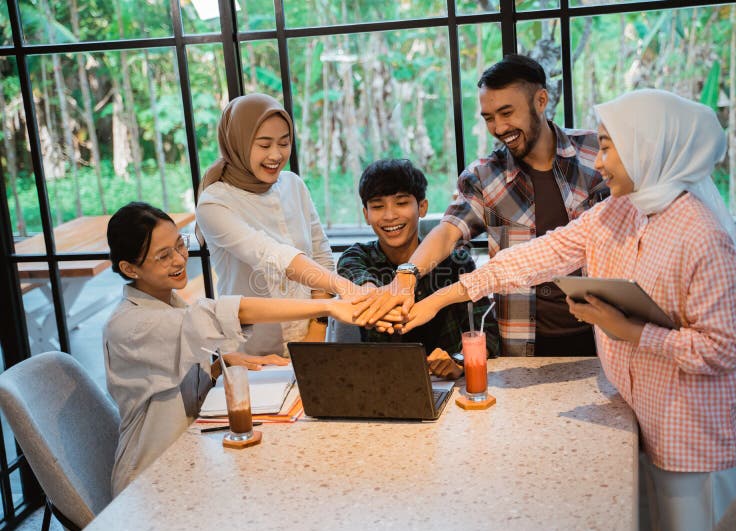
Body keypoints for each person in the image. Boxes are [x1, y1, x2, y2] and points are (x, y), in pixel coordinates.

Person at [402, 89, 736, 531]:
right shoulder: (619, 211)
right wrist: (437, 298)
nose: (600, 162)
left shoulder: (701, 236)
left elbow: (723, 351)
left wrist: (627, 329)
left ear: (647, 147)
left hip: (696, 436)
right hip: (640, 417)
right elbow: (536, 257)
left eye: (608, 146)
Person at [104, 202, 363, 496]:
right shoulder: (132, 324)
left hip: (191, 453)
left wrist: (221, 363)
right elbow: (221, 314)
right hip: (152, 477)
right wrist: (327, 304)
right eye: (163, 256)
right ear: (129, 268)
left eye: (180, 245)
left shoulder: (167, 301)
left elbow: (168, 370)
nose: (179, 260)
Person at [358, 54, 608, 357]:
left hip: (602, 335)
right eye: (489, 118)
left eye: (506, 113)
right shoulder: (484, 176)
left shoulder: (596, 153)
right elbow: (447, 232)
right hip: (521, 343)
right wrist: (407, 275)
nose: (499, 127)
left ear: (541, 101)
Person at [195, 93, 369, 358]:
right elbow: (272, 255)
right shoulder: (214, 203)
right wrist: (345, 288)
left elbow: (321, 256)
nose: (276, 155)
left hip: (313, 343)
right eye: (264, 145)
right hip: (253, 353)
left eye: (284, 143)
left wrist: (318, 326)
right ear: (238, 144)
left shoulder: (293, 184)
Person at [337, 159, 499, 379]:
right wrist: (371, 294)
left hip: (448, 385)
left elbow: (486, 331)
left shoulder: (456, 261)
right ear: (366, 214)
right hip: (383, 382)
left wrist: (460, 363)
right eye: (377, 206)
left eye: (401, 203)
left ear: (422, 207)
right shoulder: (358, 257)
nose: (389, 215)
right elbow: (358, 280)